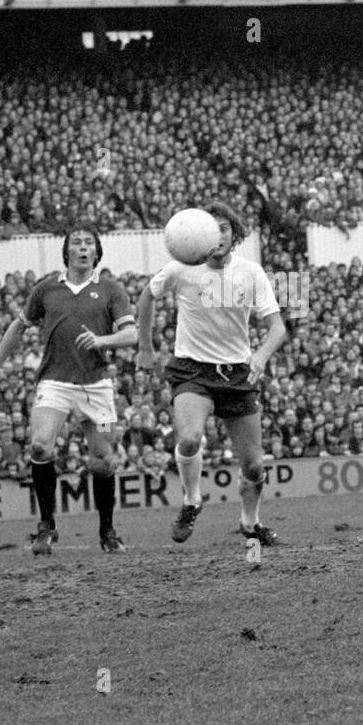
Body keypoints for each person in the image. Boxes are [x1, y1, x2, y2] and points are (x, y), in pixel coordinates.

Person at [136, 202, 287, 546]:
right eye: (211, 227)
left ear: (235, 236)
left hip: (237, 374)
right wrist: (145, 347)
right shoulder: (180, 269)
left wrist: (261, 355)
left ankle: (250, 524)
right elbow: (147, 296)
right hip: (192, 370)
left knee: (254, 467)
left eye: (224, 228)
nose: (217, 235)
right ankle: (191, 500)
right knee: (189, 438)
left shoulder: (251, 273)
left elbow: (277, 328)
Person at [0, 226, 137, 554]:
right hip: (54, 383)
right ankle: (46, 527)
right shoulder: (47, 289)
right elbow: (19, 326)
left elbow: (131, 335)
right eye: (76, 243)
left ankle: (107, 530)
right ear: (66, 251)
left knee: (104, 460)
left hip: (98, 388)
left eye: (88, 244)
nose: (82, 248)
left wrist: (102, 340)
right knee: (39, 446)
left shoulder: (111, 289)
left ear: (97, 252)